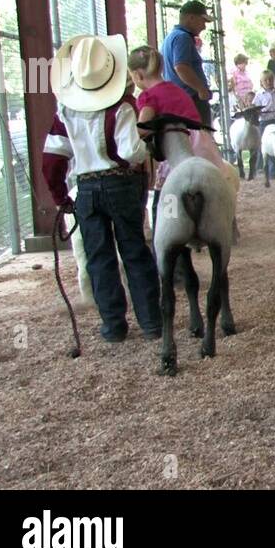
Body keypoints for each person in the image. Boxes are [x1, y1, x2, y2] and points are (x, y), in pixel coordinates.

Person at [43, 34, 161, 342]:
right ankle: (151, 321)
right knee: (134, 250)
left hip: (86, 190)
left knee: (99, 257)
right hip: (121, 186)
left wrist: (60, 197)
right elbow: (132, 152)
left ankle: (113, 325)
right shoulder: (122, 107)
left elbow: (52, 160)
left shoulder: (65, 112)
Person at [127, 45, 226, 231]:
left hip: (179, 148)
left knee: (165, 198)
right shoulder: (176, 89)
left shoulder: (147, 96)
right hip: (203, 147)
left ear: (138, 75)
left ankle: (168, 232)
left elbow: (143, 129)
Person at [161, 0, 214, 124]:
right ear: (191, 18)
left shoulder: (171, 37)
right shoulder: (182, 37)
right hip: (191, 100)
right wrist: (201, 89)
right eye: (203, 21)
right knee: (200, 140)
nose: (204, 26)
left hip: (179, 101)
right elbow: (181, 67)